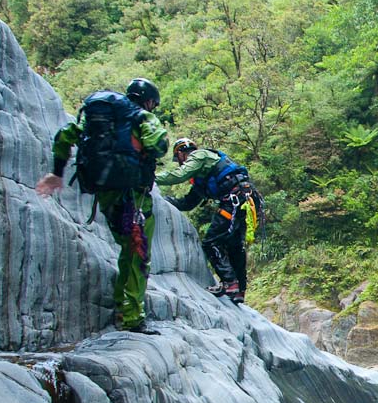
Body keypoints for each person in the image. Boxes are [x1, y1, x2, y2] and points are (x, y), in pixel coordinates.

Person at [36, 78, 169, 334]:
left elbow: (65, 136)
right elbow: (158, 145)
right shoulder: (142, 117)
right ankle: (131, 317)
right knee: (138, 252)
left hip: (106, 194)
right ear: (149, 101)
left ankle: (123, 307)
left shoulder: (99, 118)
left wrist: (57, 172)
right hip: (133, 193)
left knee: (127, 247)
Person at [156, 139, 261, 304]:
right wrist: (164, 200)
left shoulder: (200, 155)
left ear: (182, 153)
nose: (181, 163)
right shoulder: (202, 178)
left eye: (180, 159)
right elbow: (188, 203)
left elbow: (180, 175)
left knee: (211, 242)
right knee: (234, 245)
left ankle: (230, 283)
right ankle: (238, 289)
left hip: (234, 199)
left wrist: (150, 178)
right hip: (242, 199)